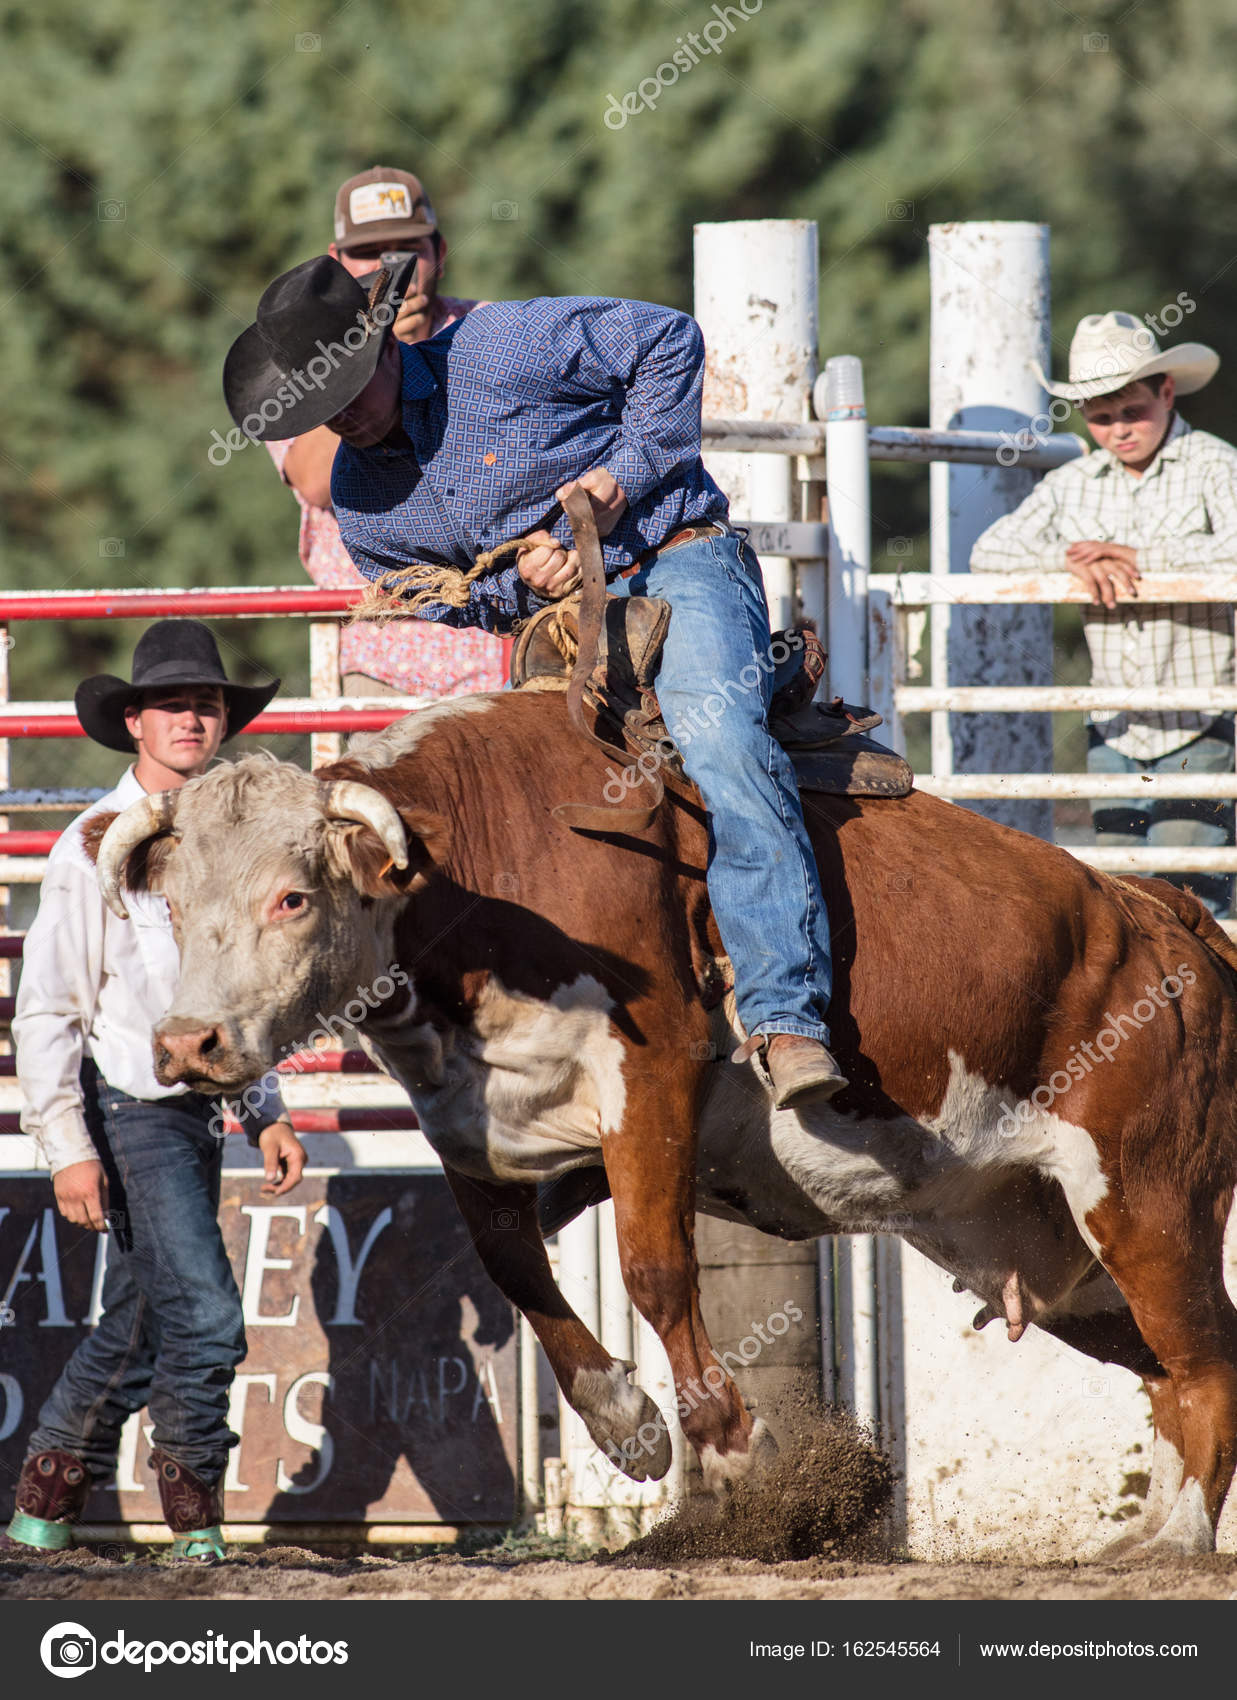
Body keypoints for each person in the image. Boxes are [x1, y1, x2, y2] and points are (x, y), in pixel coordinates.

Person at [224, 257, 847, 1108]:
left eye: (348, 392)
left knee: (723, 743)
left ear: (379, 349)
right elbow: (434, 595)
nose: (344, 419)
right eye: (318, 409)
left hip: (674, 560)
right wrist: (522, 585)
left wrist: (618, 480)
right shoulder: (364, 499)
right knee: (518, 811)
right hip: (557, 627)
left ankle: (786, 1018)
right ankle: (568, 1071)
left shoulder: (496, 347)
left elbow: (668, 339)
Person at [3, 620, 306, 1563]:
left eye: (207, 703)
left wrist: (264, 1110)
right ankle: (194, 1521)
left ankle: (43, 1506)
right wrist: (70, 1149)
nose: (192, 717)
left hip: (195, 1109)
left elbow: (226, 991)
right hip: (131, 1108)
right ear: (134, 721)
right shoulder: (93, 845)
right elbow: (49, 1007)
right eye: (173, 703)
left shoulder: (222, 841)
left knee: (138, 1322)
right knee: (208, 1317)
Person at [972, 311, 1237, 917]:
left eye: (1131, 410)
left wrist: (1141, 558)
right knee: (1122, 897)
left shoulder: (1215, 464)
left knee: (1192, 895)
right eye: (1101, 415)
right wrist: (1070, 561)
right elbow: (990, 552)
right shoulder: (1076, 482)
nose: (1118, 428)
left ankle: (1206, 1008)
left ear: (1166, 392)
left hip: (1200, 713)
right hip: (1114, 719)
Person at [265, 167, 506, 700]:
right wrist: (368, 355)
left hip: (497, 650)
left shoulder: (488, 329)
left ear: (439, 249)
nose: (389, 266)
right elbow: (313, 482)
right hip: (380, 660)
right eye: (369, 251)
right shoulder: (303, 352)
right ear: (336, 262)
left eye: (406, 248)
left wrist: (417, 351)